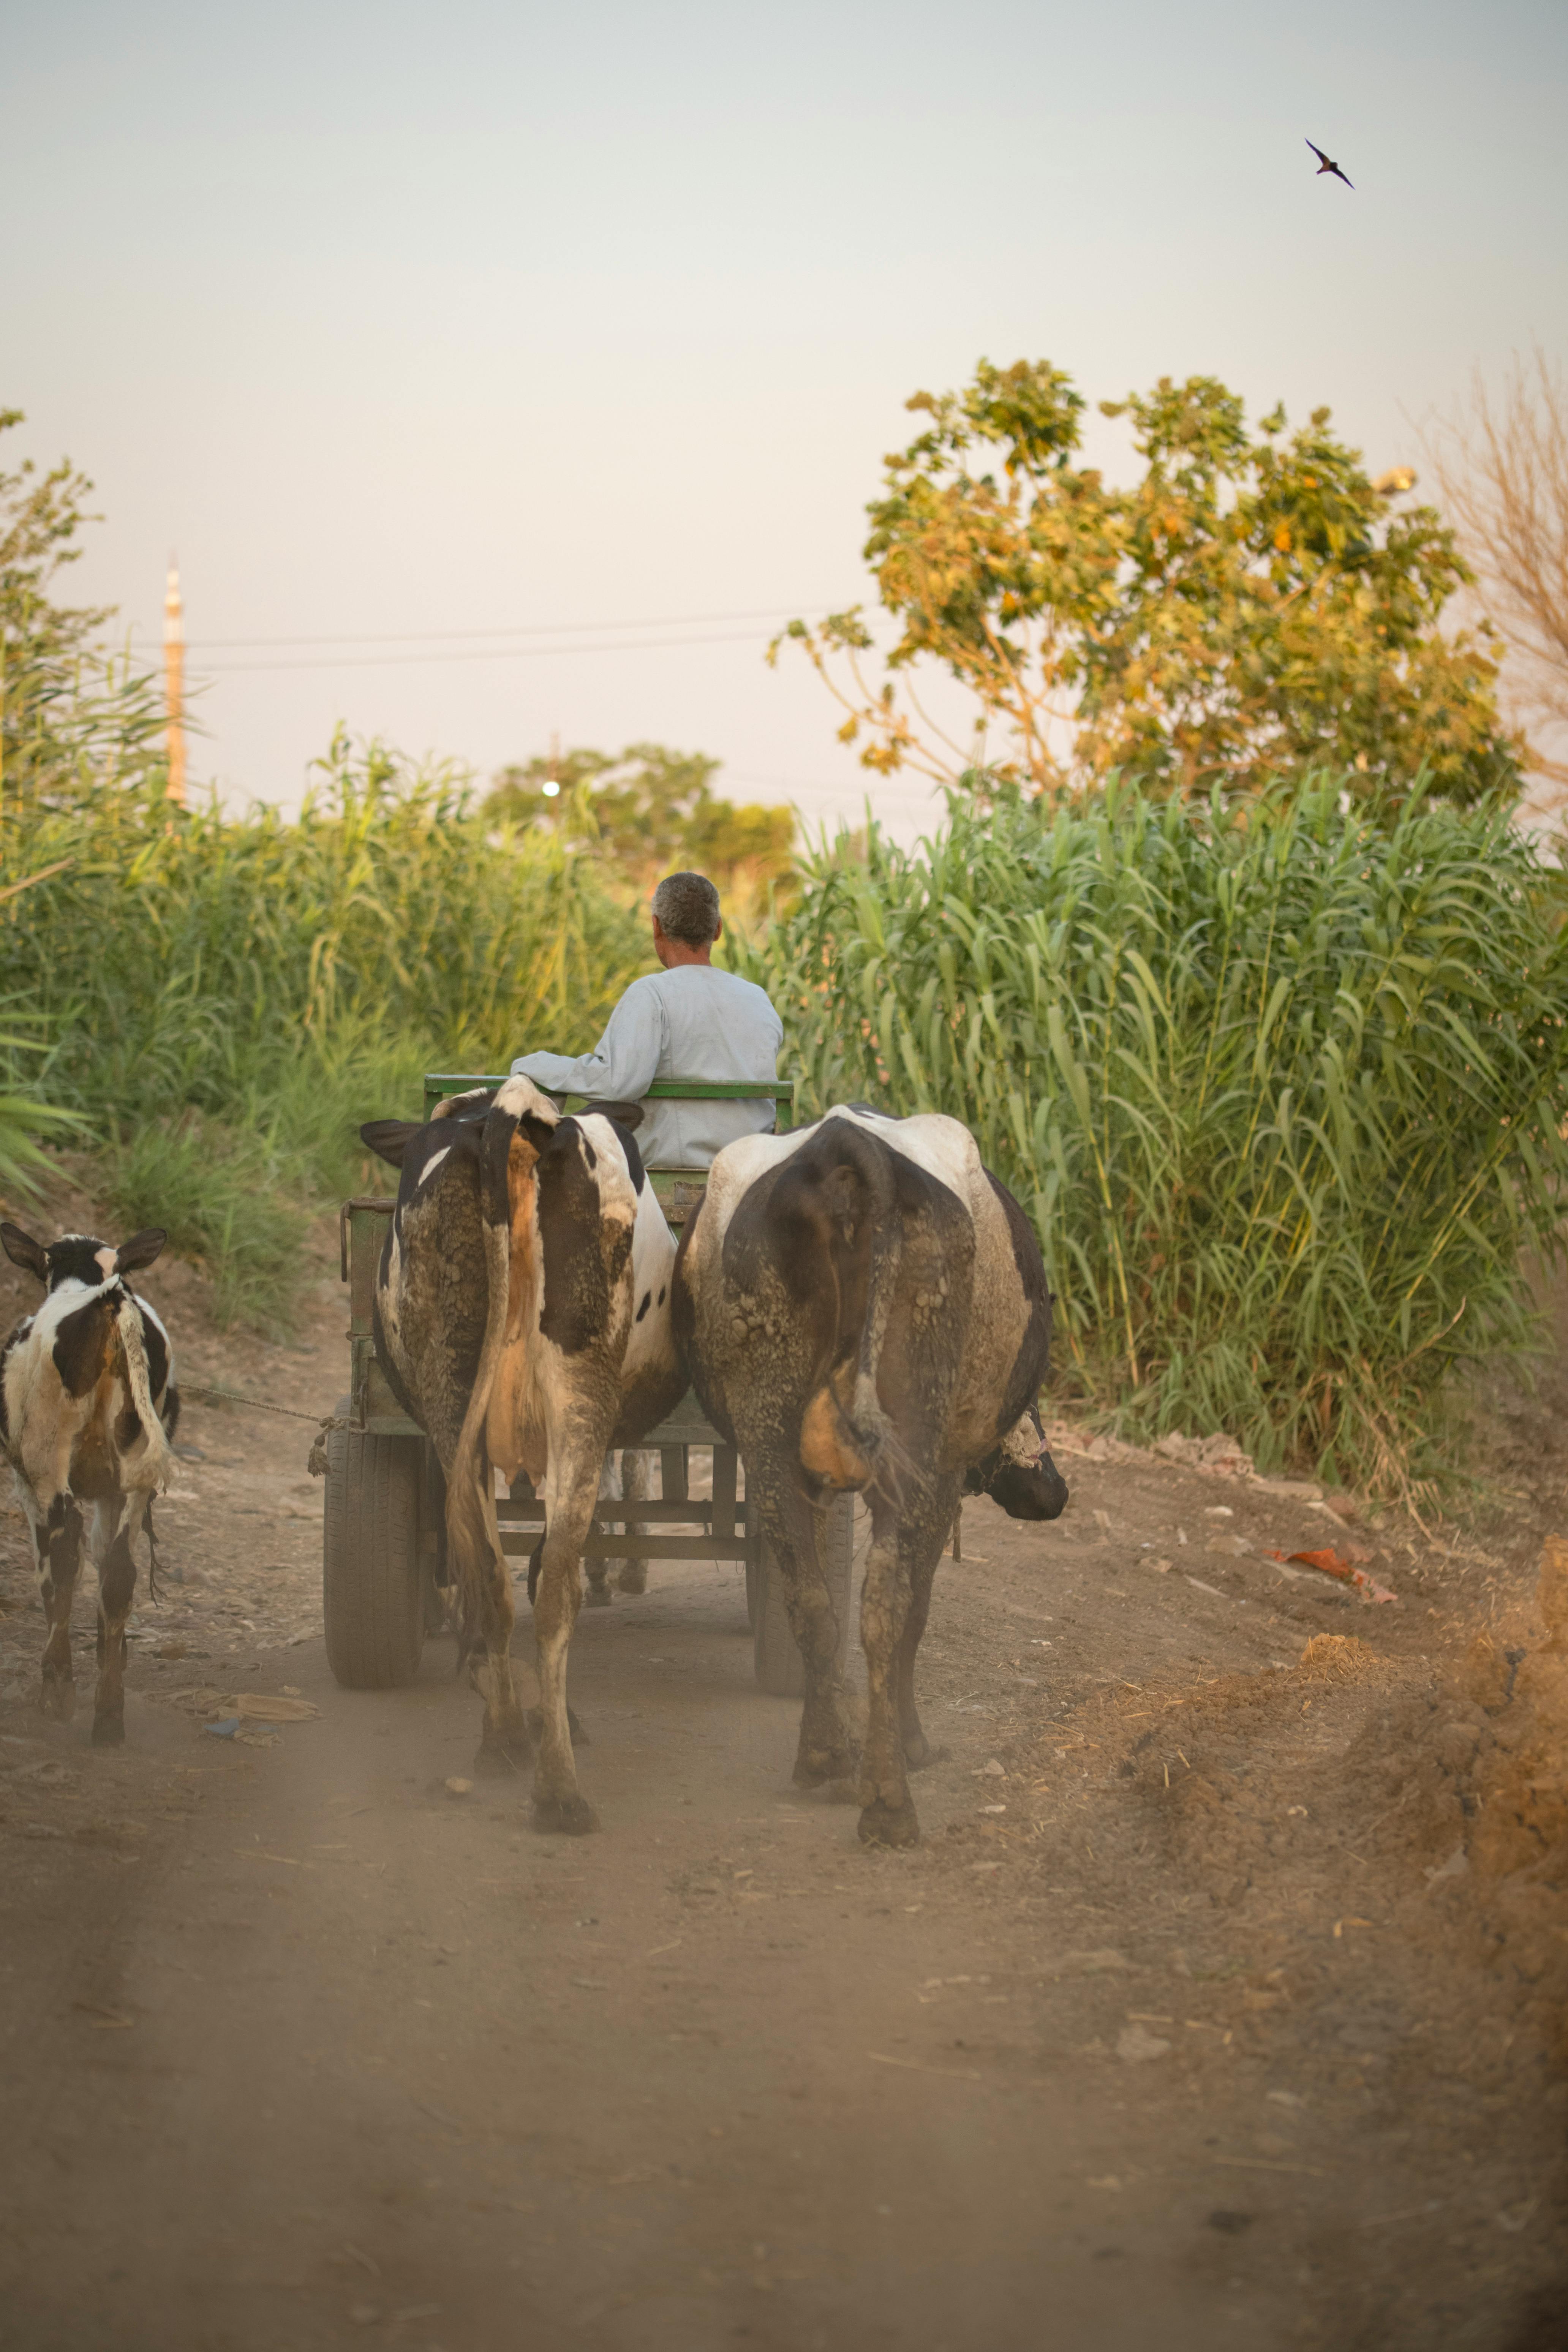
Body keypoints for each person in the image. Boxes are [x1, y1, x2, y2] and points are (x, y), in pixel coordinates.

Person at [509, 870, 784, 1171]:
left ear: (657, 927)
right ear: (717, 929)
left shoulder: (653, 994)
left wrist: (537, 1065)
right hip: (755, 1168)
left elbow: (618, 1083)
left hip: (676, 1173)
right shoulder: (758, 999)